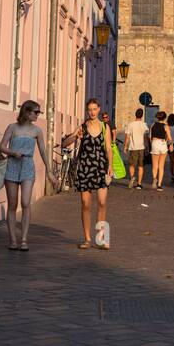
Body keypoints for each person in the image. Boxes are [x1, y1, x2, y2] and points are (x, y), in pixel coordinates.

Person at [0, 101, 57, 251]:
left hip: (27, 167)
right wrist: (13, 153)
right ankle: (12, 239)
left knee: (25, 203)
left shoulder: (37, 131)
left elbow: (43, 151)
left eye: (39, 112)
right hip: (12, 166)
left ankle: (24, 239)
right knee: (12, 205)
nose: (38, 115)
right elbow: (2, 146)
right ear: (27, 112)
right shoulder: (12, 127)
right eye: (36, 112)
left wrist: (49, 171)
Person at [62, 99, 111, 249]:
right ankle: (87, 239)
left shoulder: (105, 127)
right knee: (85, 204)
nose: (92, 112)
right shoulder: (82, 127)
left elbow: (108, 148)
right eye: (89, 109)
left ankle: (102, 237)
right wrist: (76, 136)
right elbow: (65, 144)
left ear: (99, 109)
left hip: (101, 167)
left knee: (102, 202)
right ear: (87, 110)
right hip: (84, 168)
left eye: (94, 109)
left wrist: (110, 166)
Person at [123, 107, 148, 190]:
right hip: (141, 147)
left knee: (132, 165)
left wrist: (125, 147)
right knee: (141, 166)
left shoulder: (130, 124)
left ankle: (132, 177)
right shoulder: (144, 125)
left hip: (133, 147)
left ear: (135, 114)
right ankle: (139, 184)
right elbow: (146, 137)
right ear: (142, 116)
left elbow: (127, 136)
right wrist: (147, 147)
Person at [149, 110, 173, 190]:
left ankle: (154, 178)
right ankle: (159, 185)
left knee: (154, 165)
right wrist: (171, 145)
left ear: (157, 117)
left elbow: (150, 137)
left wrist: (152, 143)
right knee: (161, 166)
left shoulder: (153, 125)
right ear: (165, 118)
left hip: (155, 143)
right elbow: (169, 138)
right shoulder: (166, 126)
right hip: (162, 144)